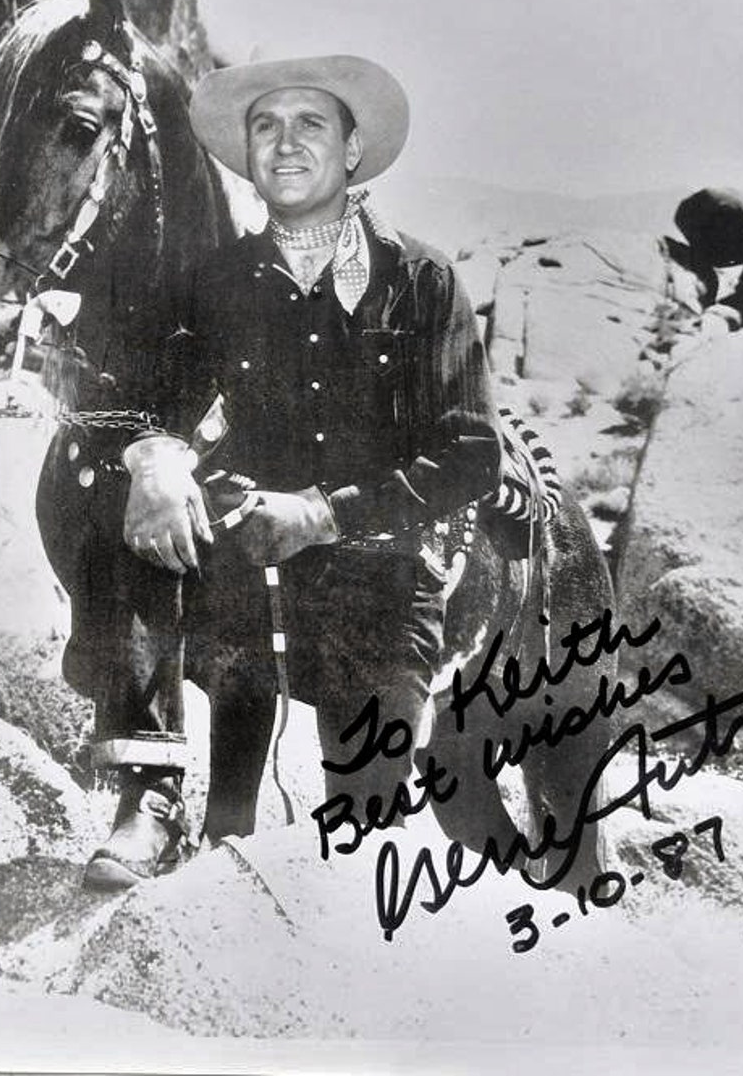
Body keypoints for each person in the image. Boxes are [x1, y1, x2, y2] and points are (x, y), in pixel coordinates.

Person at [82, 55, 506, 889]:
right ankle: (152, 798)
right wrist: (152, 456)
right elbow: (121, 401)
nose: (285, 143)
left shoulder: (422, 282)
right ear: (247, 155)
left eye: (311, 124)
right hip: (249, 582)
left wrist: (324, 510)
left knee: (356, 850)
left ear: (351, 152)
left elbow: (471, 454)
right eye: (265, 126)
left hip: (382, 588)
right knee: (109, 515)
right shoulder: (216, 283)